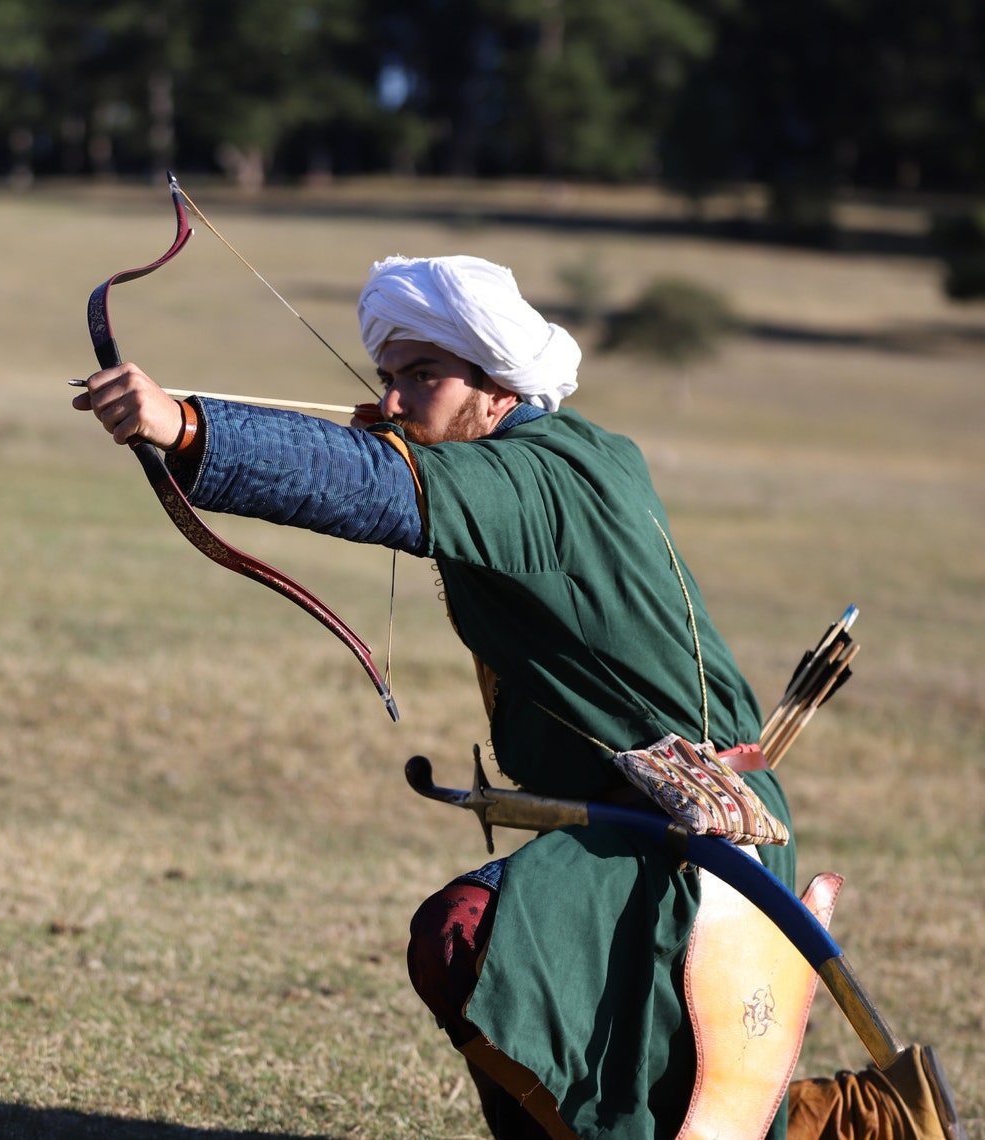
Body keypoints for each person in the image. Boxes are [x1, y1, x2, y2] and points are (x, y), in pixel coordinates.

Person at [73, 254, 964, 1140]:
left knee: (471, 940)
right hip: (654, 817)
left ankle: (850, 1123)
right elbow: (391, 468)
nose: (391, 399)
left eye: (421, 374)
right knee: (609, 1042)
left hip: (701, 836)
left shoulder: (538, 481)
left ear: (498, 387)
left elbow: (372, 487)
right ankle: (845, 1122)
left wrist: (186, 426)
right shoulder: (569, 454)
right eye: (389, 377)